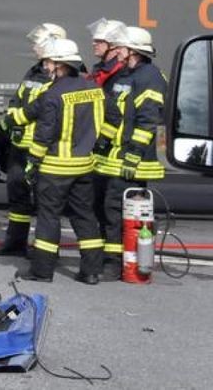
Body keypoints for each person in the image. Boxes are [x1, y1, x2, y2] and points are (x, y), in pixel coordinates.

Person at [9, 38, 104, 284]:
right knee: (84, 216)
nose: (47, 67)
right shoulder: (93, 89)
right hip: (84, 165)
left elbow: (44, 133)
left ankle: (42, 270)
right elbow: (111, 120)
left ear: (60, 65)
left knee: (49, 217)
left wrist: (32, 161)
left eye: (49, 62)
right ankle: (92, 271)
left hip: (55, 168)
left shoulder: (53, 93)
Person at [95, 26, 167, 280]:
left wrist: (134, 154)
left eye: (121, 48)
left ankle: (114, 264)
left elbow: (148, 120)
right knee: (108, 208)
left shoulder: (150, 77)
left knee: (115, 209)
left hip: (134, 160)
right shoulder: (125, 76)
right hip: (116, 157)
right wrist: (101, 141)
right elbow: (114, 115)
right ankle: (113, 258)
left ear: (133, 50)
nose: (118, 52)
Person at [0, 22, 66, 256]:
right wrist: (12, 117)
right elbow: (19, 99)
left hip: (43, 150)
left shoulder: (62, 75)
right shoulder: (34, 71)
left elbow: (47, 112)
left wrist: (21, 119)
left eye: (37, 42)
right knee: (18, 197)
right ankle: (15, 243)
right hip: (21, 147)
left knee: (45, 203)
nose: (33, 47)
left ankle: (44, 251)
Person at [85, 19, 133, 274]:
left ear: (114, 47)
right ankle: (104, 255)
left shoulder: (122, 77)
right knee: (98, 205)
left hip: (116, 151)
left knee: (112, 209)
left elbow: (115, 115)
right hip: (101, 152)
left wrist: (103, 139)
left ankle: (114, 263)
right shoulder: (100, 72)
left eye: (99, 41)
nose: (94, 44)